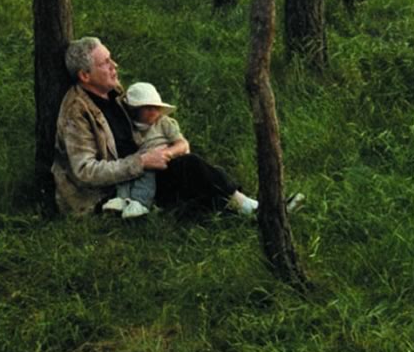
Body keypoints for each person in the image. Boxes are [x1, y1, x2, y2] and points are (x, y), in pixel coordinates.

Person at [51, 36, 262, 217]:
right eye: (105, 63)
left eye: (111, 59)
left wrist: (169, 149)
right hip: (110, 193)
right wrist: (141, 162)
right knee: (191, 169)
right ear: (85, 76)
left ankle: (246, 208)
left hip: (141, 175)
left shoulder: (114, 94)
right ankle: (251, 209)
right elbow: (85, 171)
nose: (114, 65)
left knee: (193, 173)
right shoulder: (76, 111)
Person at [104, 81, 189, 219]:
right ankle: (121, 198)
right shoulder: (130, 127)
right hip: (139, 158)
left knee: (146, 176)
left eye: (156, 108)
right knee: (127, 170)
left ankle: (140, 202)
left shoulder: (163, 122)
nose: (153, 112)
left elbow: (182, 144)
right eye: (147, 108)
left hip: (159, 161)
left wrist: (167, 153)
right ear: (134, 110)